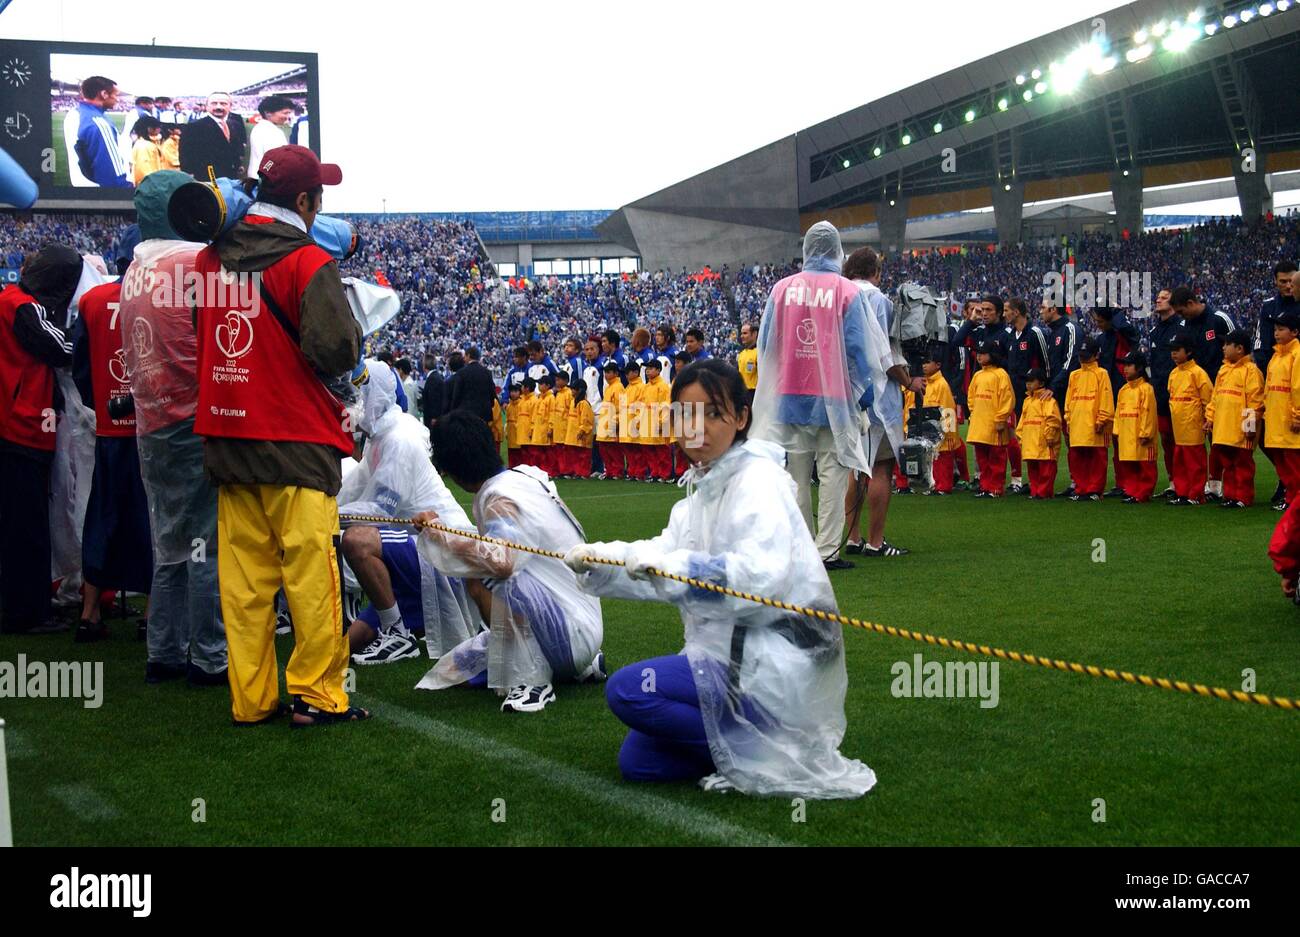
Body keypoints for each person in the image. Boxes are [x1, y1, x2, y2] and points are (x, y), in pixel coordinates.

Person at [565, 359, 876, 798]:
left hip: (771, 660)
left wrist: (670, 571)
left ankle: (767, 745)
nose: (699, 427)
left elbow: (756, 579)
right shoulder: (699, 492)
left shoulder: (758, 481)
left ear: (742, 417)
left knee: (628, 691)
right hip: (725, 658)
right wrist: (601, 559)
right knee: (639, 762)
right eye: (687, 414)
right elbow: (660, 555)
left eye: (713, 413)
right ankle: (742, 742)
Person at [192, 144, 366, 728]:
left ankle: (251, 701)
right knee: (310, 578)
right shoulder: (308, 262)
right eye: (320, 197)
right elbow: (335, 349)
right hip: (296, 441)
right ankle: (316, 696)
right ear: (304, 201)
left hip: (227, 437)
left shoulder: (208, 262)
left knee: (243, 586)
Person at [413, 410, 605, 712]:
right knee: (455, 670)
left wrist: (437, 535)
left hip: (569, 633)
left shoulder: (500, 497)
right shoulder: (525, 476)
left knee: (486, 575)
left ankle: (531, 681)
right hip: (581, 624)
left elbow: (501, 562)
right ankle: (581, 665)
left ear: (454, 469)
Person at [118, 170, 226, 684]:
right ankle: (209, 656)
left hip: (151, 422)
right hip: (192, 420)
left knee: (170, 545)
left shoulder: (135, 269)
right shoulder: (190, 261)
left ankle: (163, 650)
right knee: (206, 546)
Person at [751, 222, 888, 570]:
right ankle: (827, 550)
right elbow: (860, 350)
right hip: (834, 401)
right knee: (832, 475)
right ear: (837, 249)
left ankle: (799, 548)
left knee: (795, 477)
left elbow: (766, 345)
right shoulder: (847, 292)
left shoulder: (781, 290)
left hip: (789, 397)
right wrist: (866, 396)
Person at [338, 360, 481, 666]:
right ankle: (398, 623)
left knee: (356, 540)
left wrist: (325, 516)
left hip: (444, 557)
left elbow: (379, 510)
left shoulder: (400, 438)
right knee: (345, 646)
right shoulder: (380, 438)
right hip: (415, 551)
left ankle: (397, 633)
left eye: (354, 397)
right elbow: (352, 490)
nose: (350, 406)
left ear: (372, 396)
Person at [70, 241, 155, 644]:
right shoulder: (158, 297)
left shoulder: (90, 300)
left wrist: (103, 406)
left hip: (108, 429)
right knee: (152, 523)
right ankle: (153, 615)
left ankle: (88, 614)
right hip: (151, 430)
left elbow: (80, 368)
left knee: (101, 519)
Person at [0, 245, 83, 634]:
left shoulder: (13, 300)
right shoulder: (21, 306)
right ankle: (27, 613)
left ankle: (24, 604)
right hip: (23, 427)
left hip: (19, 424)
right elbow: (60, 348)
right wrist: (89, 336)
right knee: (27, 527)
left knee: (21, 524)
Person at [843, 246, 920, 556]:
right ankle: (876, 541)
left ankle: (852, 537)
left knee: (855, 468)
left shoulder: (840, 295)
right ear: (875, 272)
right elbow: (885, 353)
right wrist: (908, 380)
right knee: (881, 468)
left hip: (847, 394)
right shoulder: (878, 299)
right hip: (877, 393)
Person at [1171, 286, 1236, 500]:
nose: (1181, 316)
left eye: (1181, 311)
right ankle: (1207, 483)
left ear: (1191, 303)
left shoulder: (1218, 319)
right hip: (1194, 391)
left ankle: (1219, 483)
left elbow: (1238, 348)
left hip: (1221, 389)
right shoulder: (1183, 326)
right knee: (1201, 438)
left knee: (1220, 438)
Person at [1205, 330, 1264, 509]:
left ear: (1239, 348)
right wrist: (1210, 418)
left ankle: (1243, 497)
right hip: (1223, 428)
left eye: (1226, 344)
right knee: (1228, 464)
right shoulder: (1223, 370)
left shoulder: (1251, 371)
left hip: (1241, 430)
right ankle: (1230, 495)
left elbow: (1255, 401)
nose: (1223, 348)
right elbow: (1215, 397)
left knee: (1243, 465)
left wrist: (1250, 425)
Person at [1254, 264, 1295, 508]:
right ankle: (1285, 477)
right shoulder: (1269, 307)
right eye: (1283, 281)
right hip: (1274, 376)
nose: (1288, 285)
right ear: (1275, 281)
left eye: (1292, 281)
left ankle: (1291, 484)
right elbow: (1261, 341)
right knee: (1266, 436)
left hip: (1296, 376)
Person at [1265, 310, 1300, 594]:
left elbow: (1298, 389)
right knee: (1289, 478)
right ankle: (1290, 501)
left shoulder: (1296, 355)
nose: (1277, 332)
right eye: (1275, 328)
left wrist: (1298, 415)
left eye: (1282, 328)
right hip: (1277, 430)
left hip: (1292, 432)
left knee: (1296, 477)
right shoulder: (1277, 356)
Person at [1005, 297, 1049, 494]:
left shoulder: (1034, 333)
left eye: (1007, 310)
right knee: (1022, 436)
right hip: (1017, 395)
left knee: (1036, 437)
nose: (1004, 314)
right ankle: (1029, 481)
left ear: (1017, 312)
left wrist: (1044, 388)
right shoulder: (1012, 336)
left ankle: (1040, 481)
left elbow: (1045, 363)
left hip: (1034, 396)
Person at [1063, 337, 1113, 501]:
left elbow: (1105, 398)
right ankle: (1081, 488)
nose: (1082, 358)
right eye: (1081, 354)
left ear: (1096, 355)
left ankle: (1094, 490)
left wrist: (1102, 419)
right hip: (1077, 423)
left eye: (1086, 355)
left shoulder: (1101, 374)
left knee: (1097, 458)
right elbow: (1069, 400)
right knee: (1078, 458)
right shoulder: (1074, 375)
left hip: (1094, 424)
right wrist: (1068, 419)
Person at [1166, 334, 1213, 505]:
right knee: (1179, 462)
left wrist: (1208, 418)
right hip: (1178, 427)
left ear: (1189, 351)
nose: (1173, 354)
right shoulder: (1173, 374)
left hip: (1193, 425)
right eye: (1172, 350)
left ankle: (1196, 494)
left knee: (1195, 463)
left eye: (1177, 350)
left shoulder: (1198, 373)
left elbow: (1208, 400)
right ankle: (1182, 492)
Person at [966, 340, 1015, 498]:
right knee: (982, 458)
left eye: (983, 353)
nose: (979, 356)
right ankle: (985, 486)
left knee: (996, 457)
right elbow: (971, 397)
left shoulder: (1001, 374)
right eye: (978, 353)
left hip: (994, 425)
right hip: (979, 424)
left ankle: (995, 487)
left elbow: (1007, 399)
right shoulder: (978, 375)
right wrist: (974, 413)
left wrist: (1001, 419)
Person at [1148, 288, 1183, 494]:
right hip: (1160, 393)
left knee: (1183, 440)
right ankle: (1173, 481)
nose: (1158, 300)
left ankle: (1187, 480)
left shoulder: (1182, 327)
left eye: (1164, 298)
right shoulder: (1154, 331)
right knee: (1167, 439)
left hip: (1179, 393)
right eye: (1158, 297)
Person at [1113, 351, 1158, 503]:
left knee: (1145, 465)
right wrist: (1117, 431)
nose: (1125, 369)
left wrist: (1146, 433)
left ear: (1139, 368)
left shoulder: (1146, 389)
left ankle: (1143, 493)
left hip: (1141, 436)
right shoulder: (1123, 390)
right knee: (1129, 465)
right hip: (1126, 435)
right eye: (1124, 365)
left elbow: (1148, 412)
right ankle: (1132, 491)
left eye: (1129, 365)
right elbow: (1118, 413)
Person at [74, 76, 131, 188]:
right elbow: (111, 175)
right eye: (116, 95)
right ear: (104, 94)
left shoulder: (80, 113)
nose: (117, 99)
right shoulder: (99, 123)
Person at [179, 92, 247, 182]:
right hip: (207, 179)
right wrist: (189, 174)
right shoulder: (194, 127)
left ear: (230, 106)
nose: (218, 107)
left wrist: (238, 164)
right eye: (214, 103)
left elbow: (236, 148)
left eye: (223, 103)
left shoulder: (235, 125)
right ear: (207, 106)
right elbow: (185, 153)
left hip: (231, 177)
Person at [920, 349, 962, 495]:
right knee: (935, 457)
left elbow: (948, 409)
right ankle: (937, 485)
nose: (924, 365)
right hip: (932, 428)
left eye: (927, 362)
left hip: (943, 430)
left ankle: (944, 486)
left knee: (944, 458)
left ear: (938, 365)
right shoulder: (928, 383)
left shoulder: (941, 384)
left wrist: (947, 431)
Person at [1017, 368, 1062, 499]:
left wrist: (1050, 436)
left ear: (1041, 383)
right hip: (1030, 442)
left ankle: (1044, 492)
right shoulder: (1027, 401)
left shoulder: (1048, 400)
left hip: (1044, 443)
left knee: (1046, 470)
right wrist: (1021, 437)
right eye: (1027, 381)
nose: (1028, 384)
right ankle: (1035, 491)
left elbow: (1053, 419)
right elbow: (1022, 422)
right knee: (1033, 470)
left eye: (1031, 381)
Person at [1041, 298, 1081, 415]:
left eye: (1043, 308)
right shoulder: (1052, 332)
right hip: (1054, 390)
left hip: (1068, 391)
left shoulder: (1070, 329)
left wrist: (1054, 386)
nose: (1040, 311)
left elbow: (1071, 361)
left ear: (1053, 309)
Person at [247, 95, 295, 179]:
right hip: (267, 180)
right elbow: (272, 159)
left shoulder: (264, 128)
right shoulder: (267, 130)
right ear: (268, 113)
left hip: (262, 177)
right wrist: (267, 175)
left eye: (289, 113)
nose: (287, 117)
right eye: (285, 113)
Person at [640, 358, 673, 481]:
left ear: (658, 370)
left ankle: (665, 474)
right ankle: (654, 473)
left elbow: (665, 405)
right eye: (646, 369)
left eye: (651, 369)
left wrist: (661, 422)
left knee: (662, 451)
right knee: (650, 450)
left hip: (658, 423)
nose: (648, 371)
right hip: (647, 423)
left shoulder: (663, 386)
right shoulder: (646, 387)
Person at [448, 345, 495, 423]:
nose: (464, 358)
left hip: (467, 414)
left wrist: (453, 411)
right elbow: (492, 393)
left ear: (468, 355)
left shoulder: (461, 373)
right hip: (483, 414)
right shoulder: (487, 372)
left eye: (465, 356)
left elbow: (457, 395)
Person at [597, 361, 625, 479]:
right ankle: (610, 471)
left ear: (616, 373)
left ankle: (617, 472)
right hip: (605, 423)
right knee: (605, 449)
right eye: (605, 372)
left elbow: (621, 407)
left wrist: (616, 422)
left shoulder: (618, 387)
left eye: (608, 372)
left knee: (614, 450)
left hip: (612, 423)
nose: (606, 375)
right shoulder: (608, 387)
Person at [621, 359, 647, 480]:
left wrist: (637, 422)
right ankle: (632, 472)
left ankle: (640, 472)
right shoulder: (627, 387)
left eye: (628, 372)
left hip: (634, 423)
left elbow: (641, 406)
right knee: (629, 451)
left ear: (636, 372)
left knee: (638, 451)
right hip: (626, 423)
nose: (626, 375)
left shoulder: (641, 387)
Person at [563, 378, 595, 478]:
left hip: (581, 435)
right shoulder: (573, 402)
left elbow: (586, 420)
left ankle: (583, 473)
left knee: (583, 456)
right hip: (573, 434)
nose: (571, 391)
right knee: (575, 455)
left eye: (573, 389)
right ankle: (577, 472)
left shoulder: (584, 403)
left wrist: (582, 430)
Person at [549, 370, 574, 476]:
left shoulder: (569, 393)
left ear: (565, 381)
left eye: (558, 380)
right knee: (558, 451)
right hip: (558, 426)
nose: (556, 382)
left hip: (565, 426)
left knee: (566, 451)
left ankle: (567, 471)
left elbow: (571, 410)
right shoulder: (558, 394)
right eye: (556, 380)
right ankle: (560, 470)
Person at [531, 373, 556, 475]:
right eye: (539, 383)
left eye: (541, 384)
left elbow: (552, 414)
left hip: (545, 429)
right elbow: (534, 415)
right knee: (538, 452)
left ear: (548, 386)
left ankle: (548, 471)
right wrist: (532, 428)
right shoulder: (540, 398)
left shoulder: (551, 398)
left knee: (547, 452)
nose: (539, 385)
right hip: (538, 429)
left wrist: (550, 428)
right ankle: (541, 471)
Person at [130, 117, 166, 186]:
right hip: (150, 187)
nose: (160, 129)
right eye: (158, 127)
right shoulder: (144, 146)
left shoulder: (152, 142)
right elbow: (144, 172)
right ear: (149, 129)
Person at [736, 320, 758, 408]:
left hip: (754, 394)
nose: (742, 336)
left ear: (754, 334)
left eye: (745, 333)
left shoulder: (759, 353)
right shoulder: (741, 354)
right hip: (742, 393)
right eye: (741, 333)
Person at [517, 376, 537, 466]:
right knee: (524, 452)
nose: (521, 388)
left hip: (528, 431)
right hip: (522, 430)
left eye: (522, 386)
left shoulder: (534, 400)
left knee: (531, 453)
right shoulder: (522, 400)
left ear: (527, 388)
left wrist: (532, 430)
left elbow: (534, 417)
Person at [505, 384, 523, 467]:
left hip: (518, 431)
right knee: (511, 450)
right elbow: (507, 419)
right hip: (510, 430)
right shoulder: (509, 406)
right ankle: (512, 466)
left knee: (519, 451)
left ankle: (519, 467)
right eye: (511, 391)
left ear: (520, 392)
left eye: (515, 391)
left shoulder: (521, 404)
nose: (513, 393)